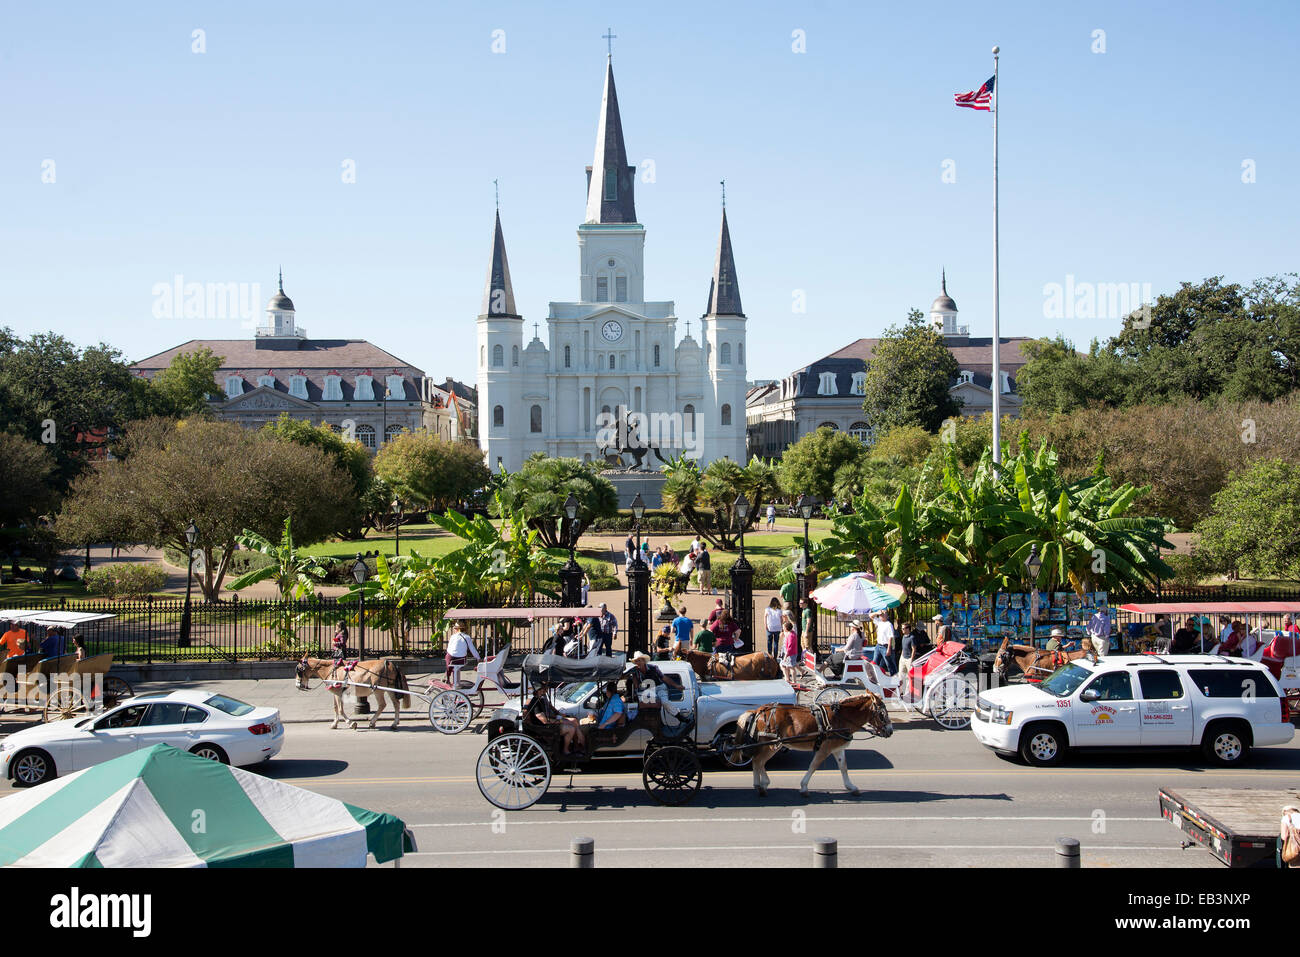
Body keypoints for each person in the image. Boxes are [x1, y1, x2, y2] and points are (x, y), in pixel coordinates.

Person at [445, 621, 480, 688]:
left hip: (451, 659)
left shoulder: (452, 637)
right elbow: (472, 649)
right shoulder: (467, 637)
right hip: (461, 660)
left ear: (457, 629)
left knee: (448, 656)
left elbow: (448, 648)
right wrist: (478, 658)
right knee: (456, 665)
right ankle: (455, 681)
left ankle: (448, 677)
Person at [780, 614, 800, 684]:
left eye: (783, 627)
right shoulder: (790, 633)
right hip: (788, 653)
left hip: (791, 654)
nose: (783, 629)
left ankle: (794, 681)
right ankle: (787, 678)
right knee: (785, 666)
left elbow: (790, 647)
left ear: (786, 628)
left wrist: (786, 655)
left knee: (791, 667)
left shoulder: (791, 635)